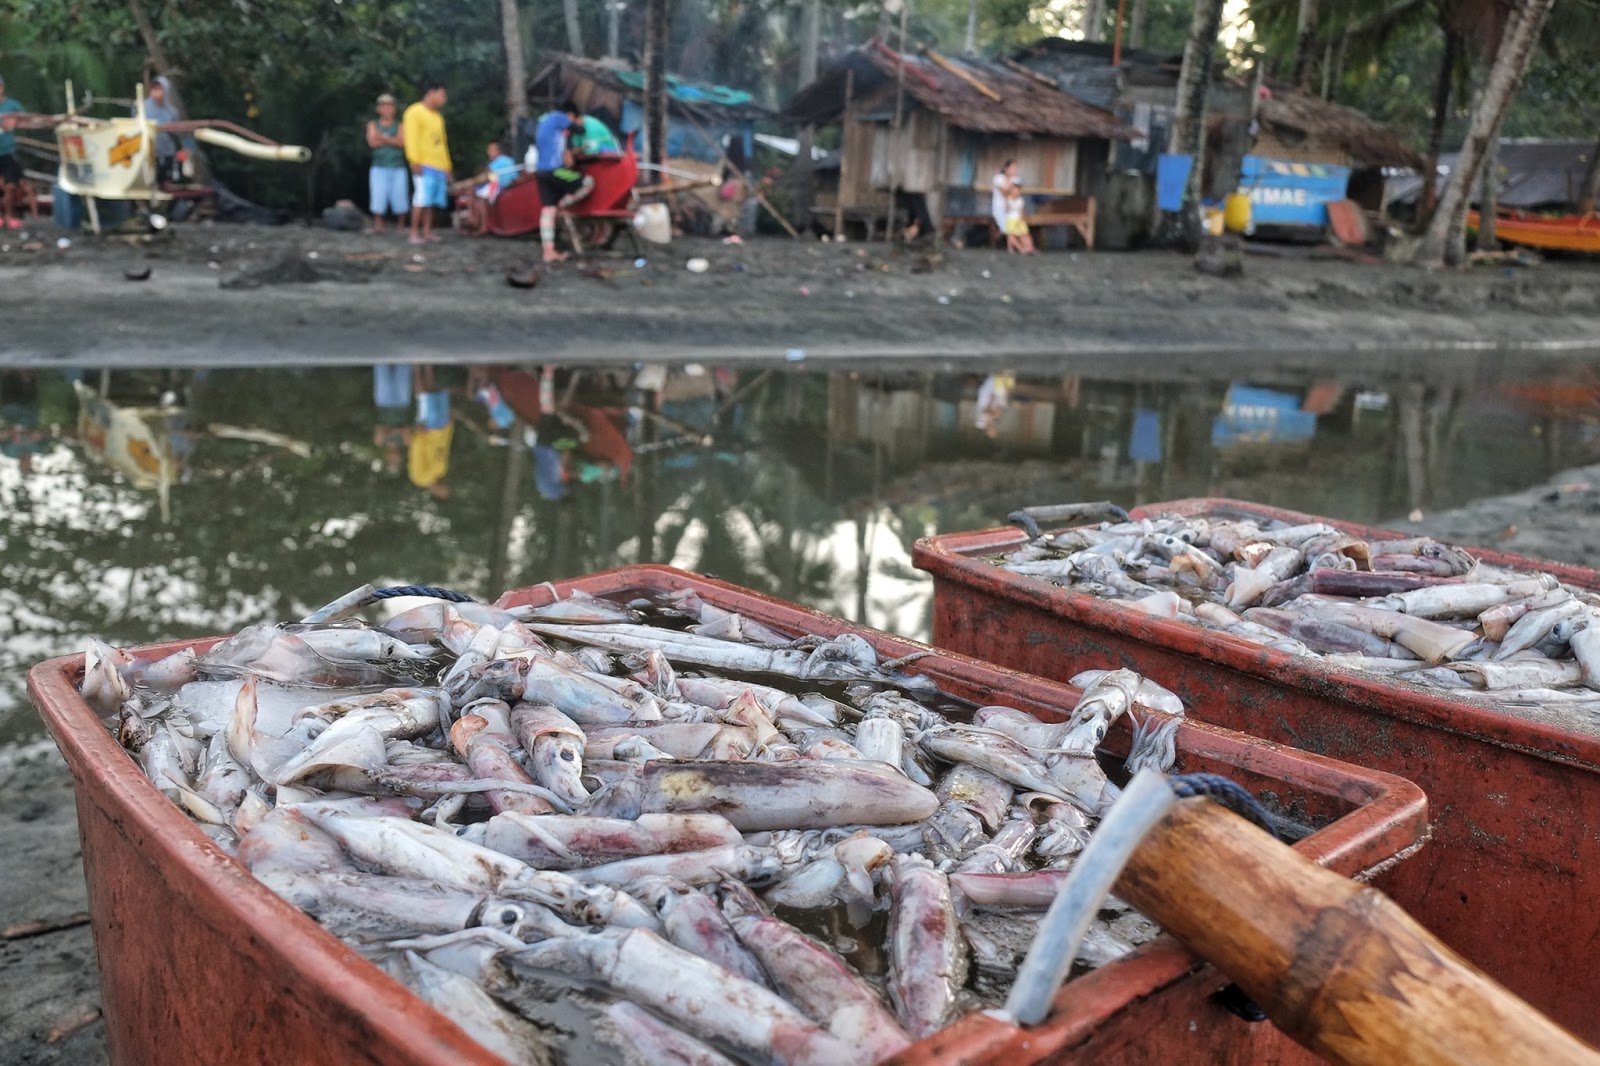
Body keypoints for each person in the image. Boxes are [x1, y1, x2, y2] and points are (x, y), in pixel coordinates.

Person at [532, 100, 595, 263]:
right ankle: (564, 204)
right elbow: (580, 130)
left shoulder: (544, 122)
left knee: (548, 209)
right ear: (570, 114)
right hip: (555, 170)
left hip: (541, 172)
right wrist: (579, 123)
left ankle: (548, 252)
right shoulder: (559, 118)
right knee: (588, 182)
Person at [402, 83, 451, 245]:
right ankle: (413, 233)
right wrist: (414, 160)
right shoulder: (414, 112)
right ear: (431, 93)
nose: (444, 99)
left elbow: (442, 143)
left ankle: (428, 232)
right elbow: (411, 138)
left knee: (430, 202)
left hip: (438, 165)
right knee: (421, 198)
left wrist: (447, 166)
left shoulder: (438, 117)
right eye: (442, 95)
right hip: (423, 164)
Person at [408, 365, 452, 498]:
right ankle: (428, 366)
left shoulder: (419, 478)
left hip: (427, 430)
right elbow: (445, 448)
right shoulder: (442, 471)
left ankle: (416, 366)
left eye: (444, 492)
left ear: (437, 494)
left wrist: (418, 435)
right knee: (436, 392)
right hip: (442, 428)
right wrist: (449, 429)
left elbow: (416, 454)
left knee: (424, 396)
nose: (446, 488)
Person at [366, 93, 407, 233]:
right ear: (378, 108)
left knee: (400, 195)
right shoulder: (372, 124)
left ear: (394, 108)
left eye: (389, 106)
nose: (386, 109)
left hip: (398, 166)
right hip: (378, 166)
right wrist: (392, 140)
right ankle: (379, 225)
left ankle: (401, 226)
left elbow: (402, 142)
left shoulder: (400, 125)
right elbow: (372, 142)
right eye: (383, 106)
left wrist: (382, 138)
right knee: (378, 195)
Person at [135, 76, 183, 186]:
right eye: (154, 88)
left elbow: (179, 134)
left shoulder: (172, 112)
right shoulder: (141, 108)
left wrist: (184, 150)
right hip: (147, 152)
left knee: (167, 183)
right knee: (150, 182)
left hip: (167, 152)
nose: (156, 92)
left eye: (159, 89)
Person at [463, 141, 518, 234]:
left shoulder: (499, 161)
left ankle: (479, 223)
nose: (488, 152)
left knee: (478, 196)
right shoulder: (509, 160)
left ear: (498, 151)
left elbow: (487, 176)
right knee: (474, 191)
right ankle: (475, 220)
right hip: (504, 185)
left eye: (491, 150)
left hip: (499, 186)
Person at [372, 363, 412, 473]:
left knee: (382, 369)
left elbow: (379, 428)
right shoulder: (406, 442)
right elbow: (407, 429)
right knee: (403, 368)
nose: (394, 459)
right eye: (396, 461)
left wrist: (395, 430)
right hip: (402, 404)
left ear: (387, 458)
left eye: (392, 461)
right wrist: (391, 431)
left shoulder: (380, 442)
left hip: (383, 403)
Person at [0, 76, 26, 230]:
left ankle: (9, 216)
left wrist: (15, 121)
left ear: (3, 88)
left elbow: (26, 120)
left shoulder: (13, 105)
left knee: (10, 186)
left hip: (7, 152)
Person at [991, 159, 1018, 246]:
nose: (1014, 170)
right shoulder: (998, 178)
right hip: (999, 208)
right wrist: (1011, 189)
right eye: (1012, 168)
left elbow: (1016, 194)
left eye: (1015, 168)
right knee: (1007, 229)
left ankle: (1022, 247)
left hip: (1012, 208)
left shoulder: (1016, 180)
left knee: (1017, 228)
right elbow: (1004, 192)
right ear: (1006, 168)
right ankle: (1021, 248)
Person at [1004, 182, 1035, 255]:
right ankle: (1019, 248)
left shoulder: (1020, 200)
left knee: (1024, 234)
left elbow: (1021, 211)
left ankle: (1029, 248)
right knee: (1011, 235)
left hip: (1019, 219)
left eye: (1017, 190)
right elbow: (1007, 209)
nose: (1016, 192)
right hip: (1011, 219)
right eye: (1014, 190)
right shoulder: (1008, 199)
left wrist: (1021, 220)